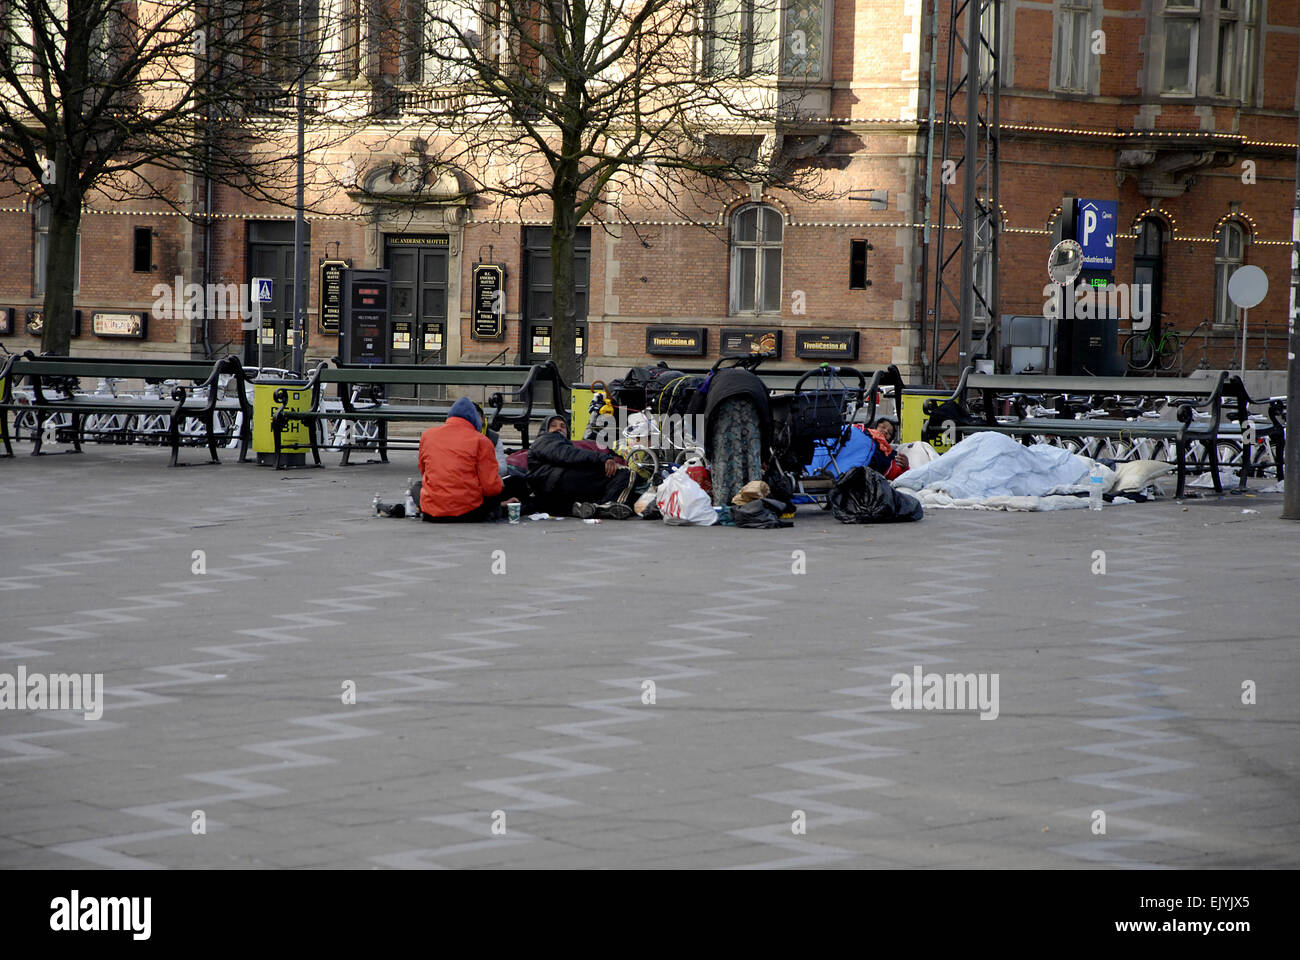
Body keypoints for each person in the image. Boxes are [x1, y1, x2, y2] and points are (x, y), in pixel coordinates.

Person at [412, 396, 524, 522]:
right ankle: (502, 507)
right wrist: (498, 483)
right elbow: (490, 487)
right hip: (469, 513)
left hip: (433, 513)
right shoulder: (482, 440)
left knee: (417, 486)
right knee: (516, 482)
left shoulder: (428, 436)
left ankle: (422, 507)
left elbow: (424, 471)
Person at [527, 415, 636, 519]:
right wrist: (603, 458)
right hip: (554, 481)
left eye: (562, 426)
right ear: (544, 429)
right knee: (626, 472)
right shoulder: (545, 439)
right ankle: (613, 504)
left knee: (603, 484)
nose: (558, 428)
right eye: (553, 425)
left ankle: (593, 507)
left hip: (552, 493)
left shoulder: (558, 444)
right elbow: (568, 454)